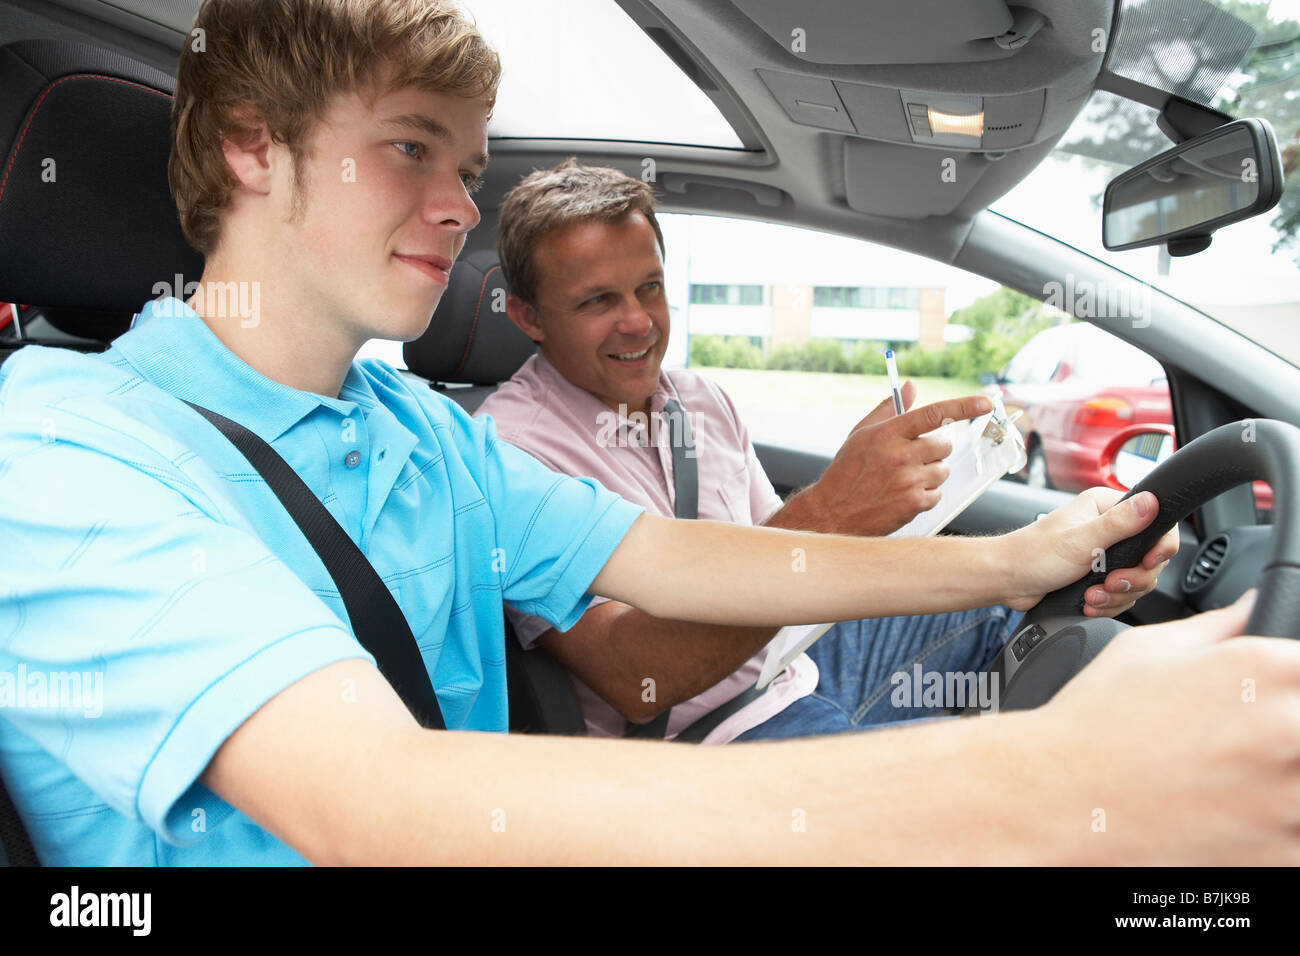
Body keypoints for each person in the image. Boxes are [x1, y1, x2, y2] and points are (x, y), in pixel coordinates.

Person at [0, 0, 1294, 866]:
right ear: (253, 153)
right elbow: (372, 804)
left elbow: (682, 559)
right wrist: (1063, 786)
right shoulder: (59, 453)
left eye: (466, 165)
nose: (456, 207)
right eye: (411, 152)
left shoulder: (412, 431)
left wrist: (1017, 560)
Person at [474, 159, 1154, 742]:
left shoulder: (700, 399)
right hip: (705, 740)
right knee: (976, 785)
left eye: (649, 287)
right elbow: (637, 681)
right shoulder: (509, 453)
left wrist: (884, 507)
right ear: (529, 316)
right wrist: (832, 511)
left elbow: (790, 559)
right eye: (598, 300)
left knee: (1047, 619)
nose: (639, 321)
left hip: (796, 661)